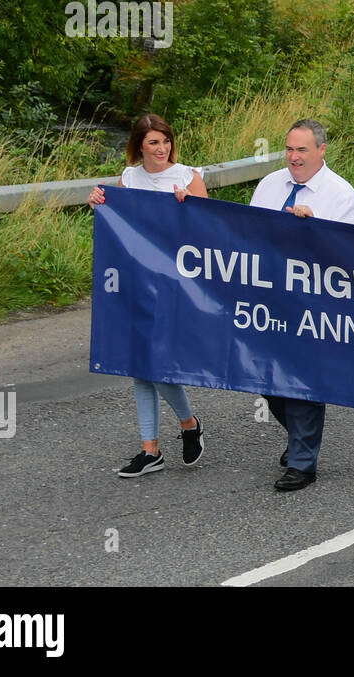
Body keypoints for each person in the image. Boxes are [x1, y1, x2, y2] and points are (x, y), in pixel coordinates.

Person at [88, 114, 207, 478]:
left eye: (166, 140)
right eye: (153, 142)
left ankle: (189, 424)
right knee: (139, 364)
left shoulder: (189, 176)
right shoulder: (129, 178)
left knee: (156, 362)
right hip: (136, 279)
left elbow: (210, 232)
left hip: (174, 283)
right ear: (139, 145)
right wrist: (98, 203)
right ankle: (150, 449)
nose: (162, 148)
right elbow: (121, 227)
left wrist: (190, 208)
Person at [250, 119, 354, 490]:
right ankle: (300, 436)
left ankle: (302, 463)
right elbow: (245, 233)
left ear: (321, 150)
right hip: (270, 299)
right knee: (264, 377)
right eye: (289, 149)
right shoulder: (269, 185)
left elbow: (352, 259)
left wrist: (316, 231)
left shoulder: (340, 196)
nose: (293, 157)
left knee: (301, 382)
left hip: (315, 307)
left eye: (301, 150)